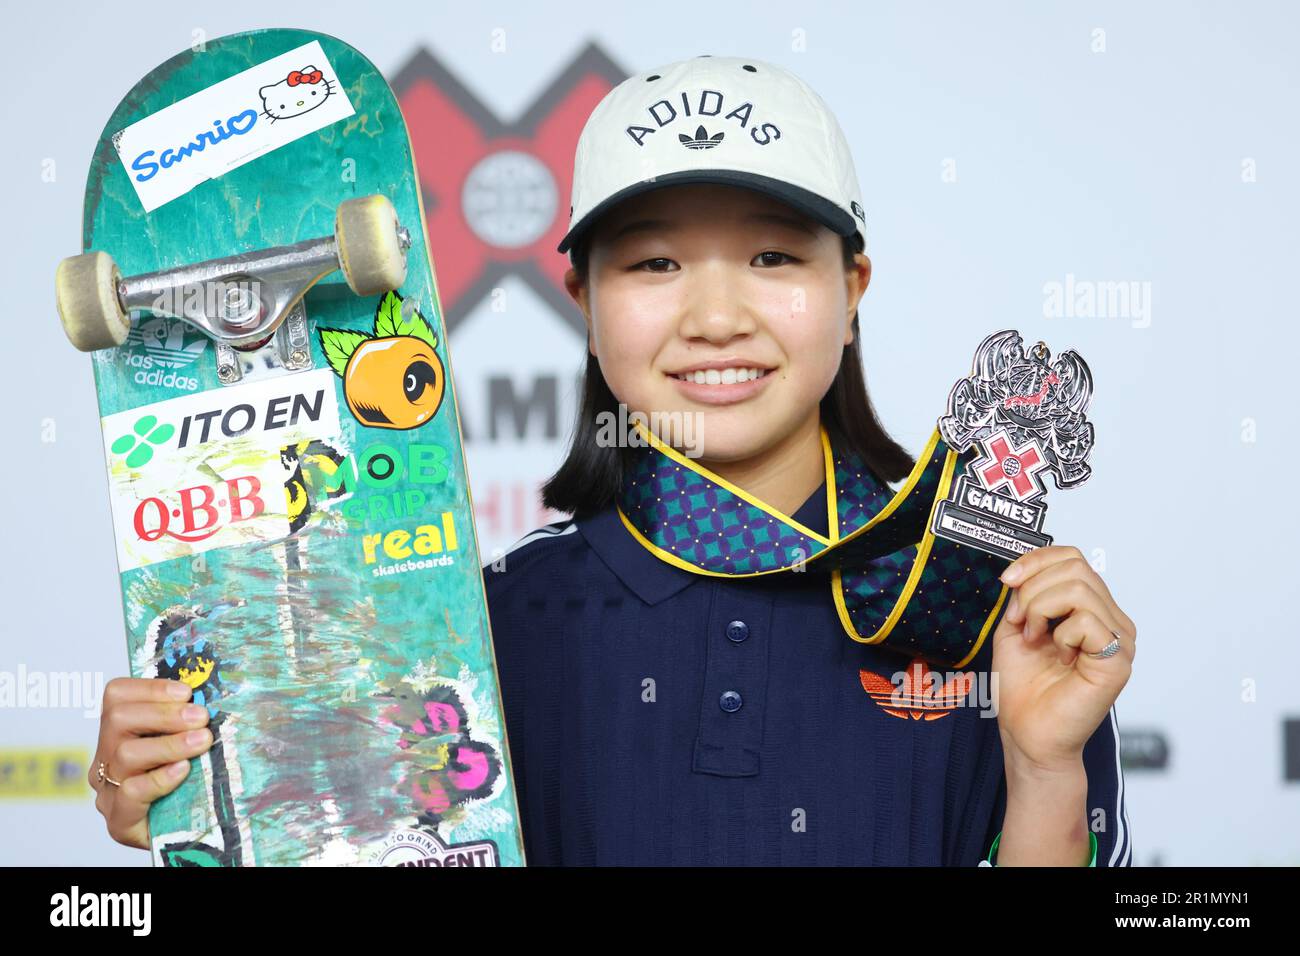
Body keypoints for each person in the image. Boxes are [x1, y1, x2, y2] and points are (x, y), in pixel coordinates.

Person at [89, 53, 1136, 866]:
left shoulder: (977, 609)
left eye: (772, 256)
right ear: (585, 303)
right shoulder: (472, 630)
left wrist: (1043, 768)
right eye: (655, 262)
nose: (717, 315)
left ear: (852, 288)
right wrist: (214, 814)